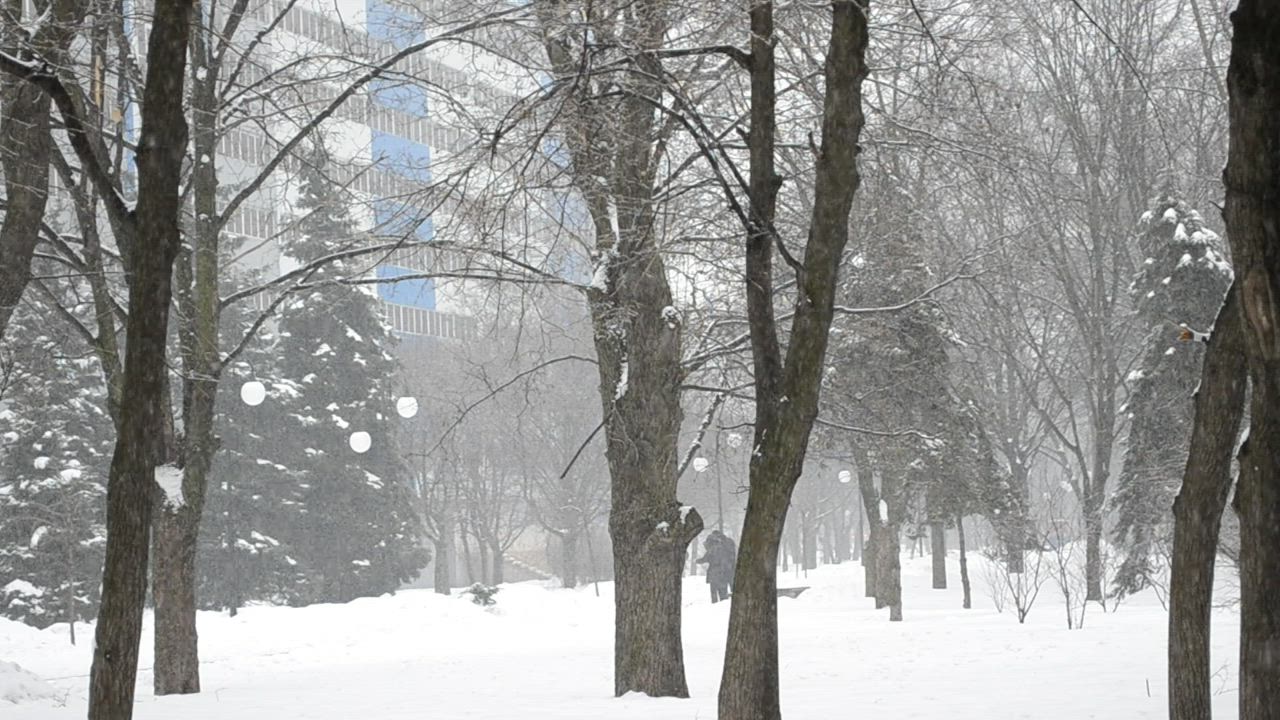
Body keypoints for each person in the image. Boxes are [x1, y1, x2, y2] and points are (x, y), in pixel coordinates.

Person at [697, 530, 737, 603]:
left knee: (714, 594)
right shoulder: (726, 544)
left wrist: (697, 561)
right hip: (725, 572)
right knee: (723, 594)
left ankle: (716, 605)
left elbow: (705, 559)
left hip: (715, 573)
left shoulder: (713, 549)